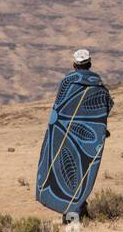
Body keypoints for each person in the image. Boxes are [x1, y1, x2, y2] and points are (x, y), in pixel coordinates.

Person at [39, 48, 114, 222]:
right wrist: (97, 127)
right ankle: (78, 214)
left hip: (64, 137)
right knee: (82, 174)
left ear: (74, 65)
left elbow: (59, 109)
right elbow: (106, 106)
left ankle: (72, 220)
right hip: (90, 140)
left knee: (64, 173)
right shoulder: (99, 84)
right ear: (90, 64)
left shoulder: (67, 82)